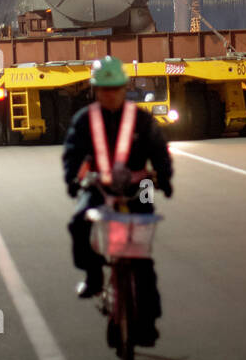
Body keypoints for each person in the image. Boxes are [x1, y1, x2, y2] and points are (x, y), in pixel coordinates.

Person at [62, 55, 172, 300]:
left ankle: (147, 313)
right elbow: (72, 153)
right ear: (95, 91)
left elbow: (159, 150)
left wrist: (164, 178)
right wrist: (71, 180)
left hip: (139, 187)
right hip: (98, 186)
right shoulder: (84, 120)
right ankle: (94, 275)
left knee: (141, 247)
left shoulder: (142, 120)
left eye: (115, 89)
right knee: (78, 224)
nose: (110, 94)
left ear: (124, 89)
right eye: (104, 89)